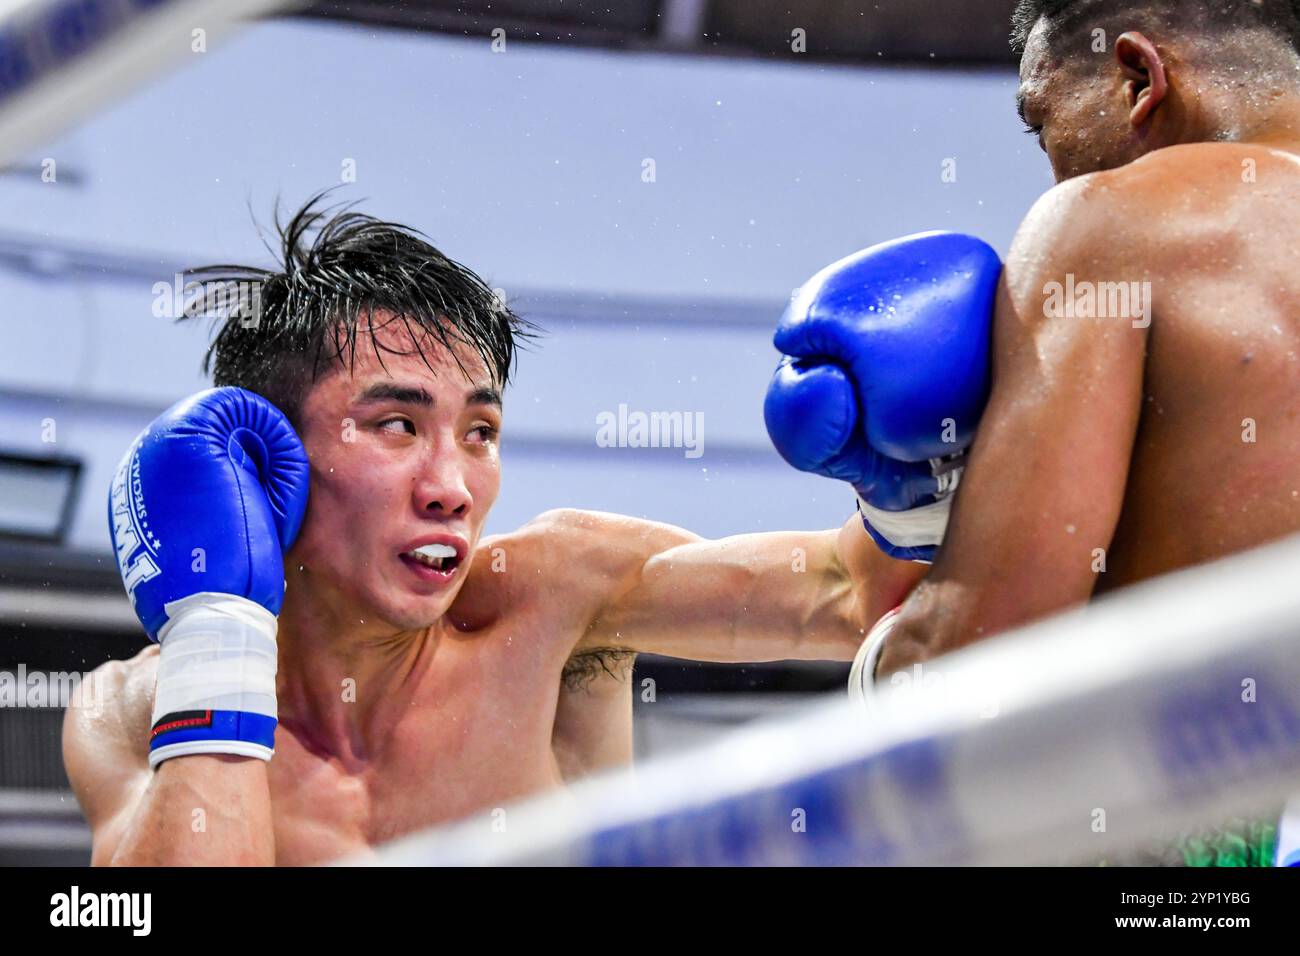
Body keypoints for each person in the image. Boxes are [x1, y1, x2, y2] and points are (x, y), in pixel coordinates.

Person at [65, 199, 997, 865]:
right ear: (270, 457)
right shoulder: (131, 713)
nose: (453, 488)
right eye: (397, 426)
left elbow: (850, 593)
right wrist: (218, 634)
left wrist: (919, 482)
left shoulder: (555, 599)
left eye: (480, 433)